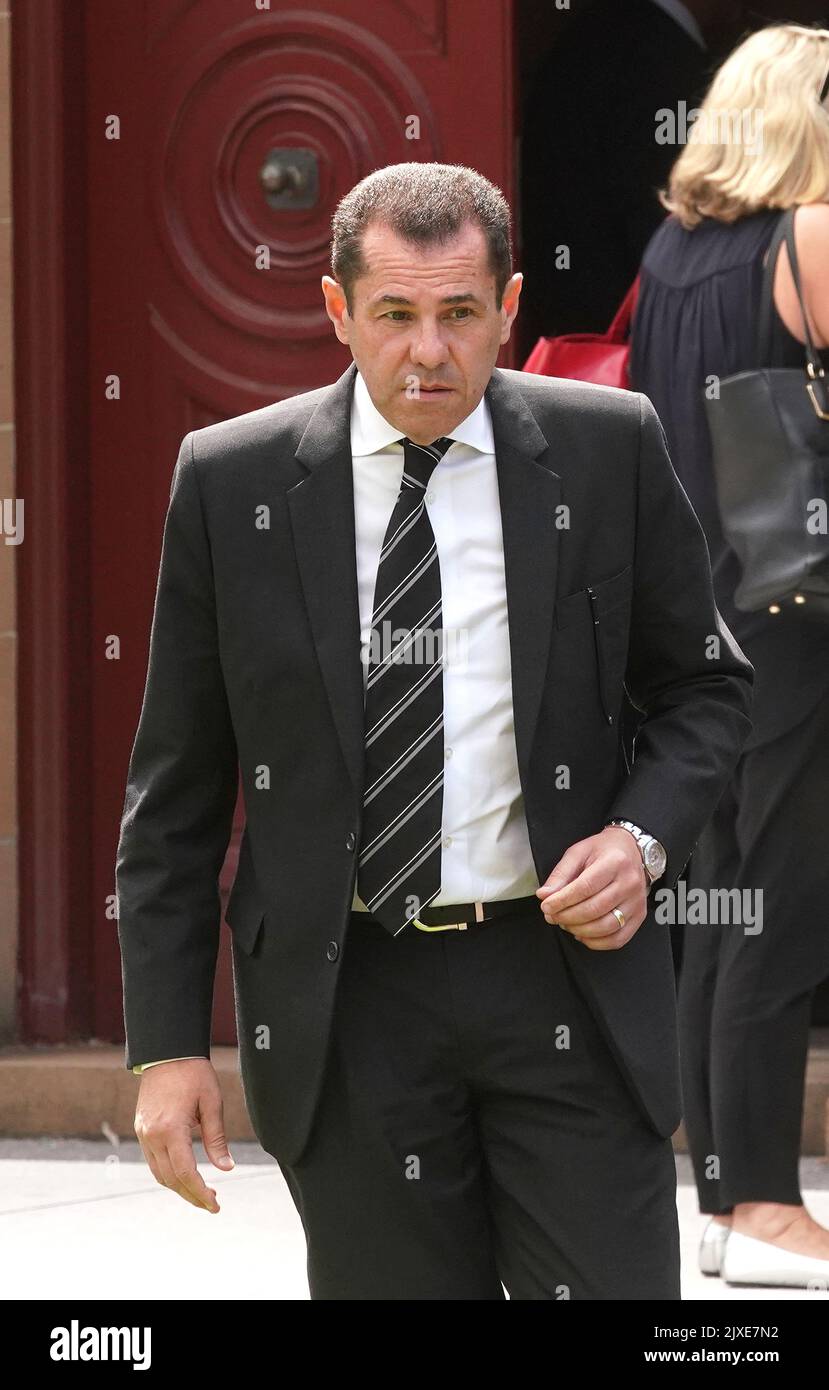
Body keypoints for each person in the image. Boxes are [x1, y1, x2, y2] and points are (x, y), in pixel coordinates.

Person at [116, 162, 753, 1300]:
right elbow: (176, 790)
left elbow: (705, 689)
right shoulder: (233, 484)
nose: (428, 352)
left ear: (509, 310)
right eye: (395, 316)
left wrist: (641, 842)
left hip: (564, 984)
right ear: (335, 312)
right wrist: (167, 1046)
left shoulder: (607, 448)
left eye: (461, 315)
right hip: (351, 1000)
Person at [630, 23, 829, 1288]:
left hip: (702, 608)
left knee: (721, 902)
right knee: (784, 906)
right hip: (797, 609)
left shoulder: (672, 253)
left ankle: (716, 1196)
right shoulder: (812, 238)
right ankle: (761, 1202)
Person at [519, 0, 749, 355]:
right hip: (630, 328)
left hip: (567, 303)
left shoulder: (590, 35)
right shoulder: (663, 56)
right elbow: (658, 204)